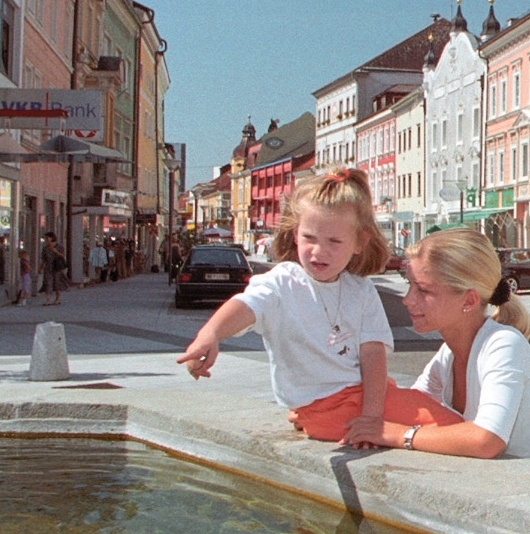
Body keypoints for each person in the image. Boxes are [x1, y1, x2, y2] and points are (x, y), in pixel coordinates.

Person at [176, 169, 461, 445]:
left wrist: (371, 414)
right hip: (334, 408)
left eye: (334, 241)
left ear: (359, 243)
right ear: (295, 234)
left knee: (422, 407)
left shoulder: (360, 290)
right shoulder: (282, 282)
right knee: (449, 426)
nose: (318, 251)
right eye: (309, 238)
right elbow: (246, 305)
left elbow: (373, 358)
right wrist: (210, 334)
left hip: (351, 402)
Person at [344, 228, 530, 467]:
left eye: (423, 290)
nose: (407, 299)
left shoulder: (504, 344)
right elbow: (410, 406)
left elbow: (487, 439)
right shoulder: (448, 355)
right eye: (410, 286)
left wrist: (397, 435)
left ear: (469, 300)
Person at [40, 233, 66, 306]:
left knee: (56, 283)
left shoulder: (59, 246)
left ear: (52, 238)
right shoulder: (45, 248)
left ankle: (57, 299)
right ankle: (48, 300)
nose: (46, 239)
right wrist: (40, 268)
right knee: (48, 282)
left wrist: (55, 251)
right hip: (48, 267)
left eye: (47, 238)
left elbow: (63, 256)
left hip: (57, 267)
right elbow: (43, 259)